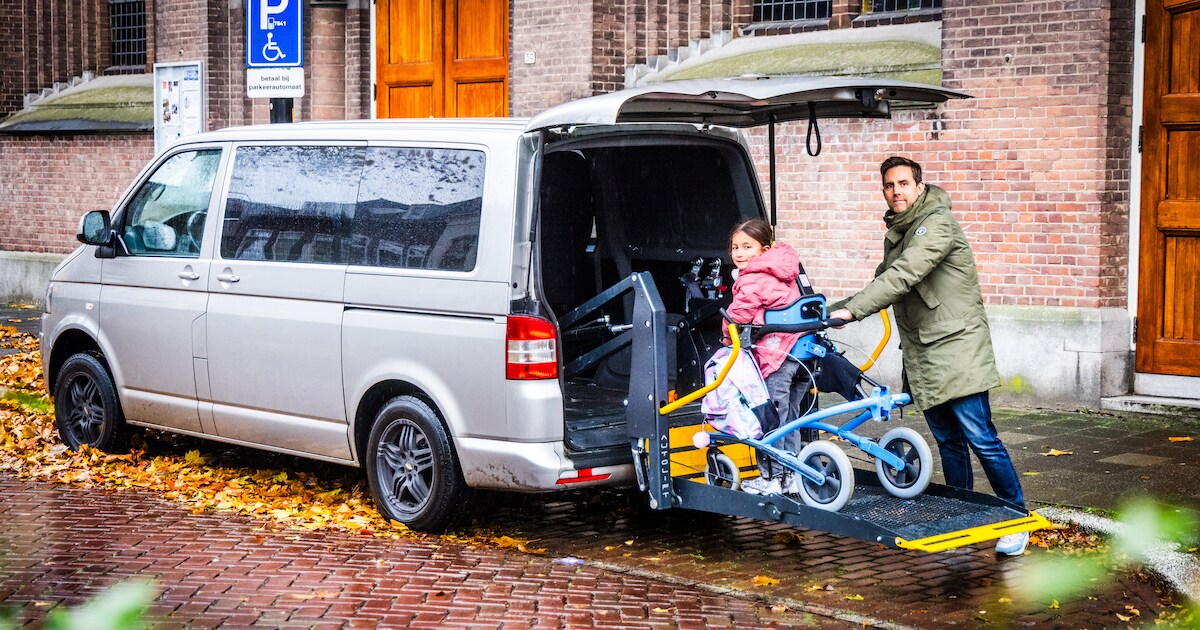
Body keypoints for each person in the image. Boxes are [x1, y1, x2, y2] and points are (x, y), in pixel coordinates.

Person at [827, 156, 1029, 556]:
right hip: (924, 352)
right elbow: (882, 282)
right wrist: (827, 310)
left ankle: (1016, 518)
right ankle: (960, 516)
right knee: (948, 441)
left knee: (980, 438)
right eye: (889, 185)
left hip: (957, 348)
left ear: (919, 186)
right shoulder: (902, 231)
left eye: (903, 183)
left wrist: (853, 311)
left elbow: (905, 274)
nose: (896, 191)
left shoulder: (937, 223)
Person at [723, 218, 808, 496]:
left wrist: (726, 338)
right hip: (800, 354)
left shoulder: (753, 278)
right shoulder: (788, 272)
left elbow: (738, 316)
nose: (739, 253)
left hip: (774, 357)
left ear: (765, 249)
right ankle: (792, 476)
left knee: (770, 418)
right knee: (791, 418)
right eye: (735, 247)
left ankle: (771, 477)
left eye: (748, 246)